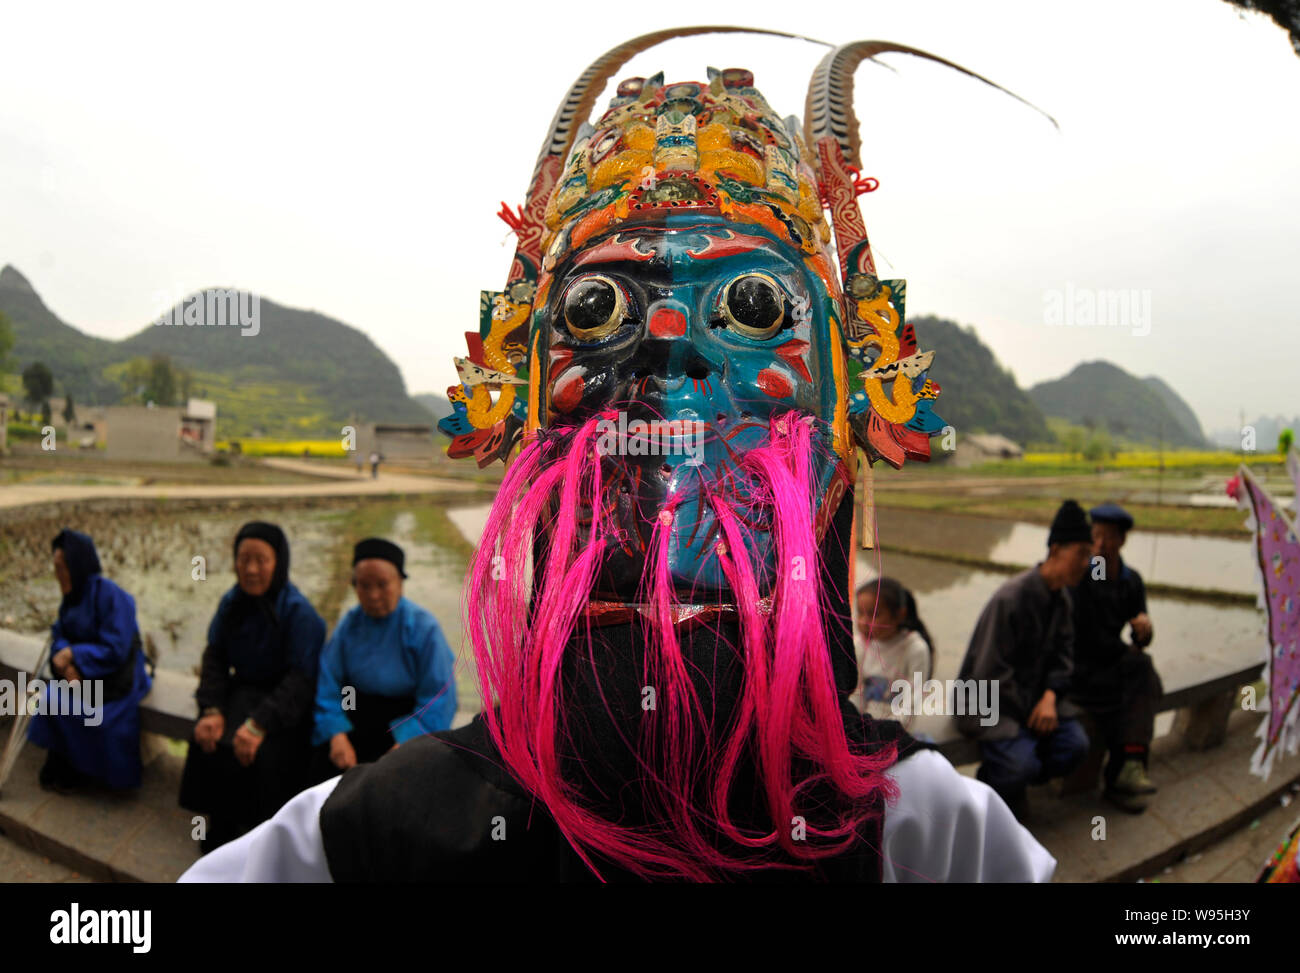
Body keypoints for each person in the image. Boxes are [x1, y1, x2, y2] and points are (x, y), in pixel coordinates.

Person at [178, 521, 326, 853]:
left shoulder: (299, 613)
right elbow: (215, 655)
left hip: (284, 705)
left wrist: (259, 724)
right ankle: (222, 826)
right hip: (242, 691)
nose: (251, 569)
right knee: (210, 739)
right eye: (243, 559)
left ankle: (264, 837)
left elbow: (302, 679)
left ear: (280, 563)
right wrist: (212, 709)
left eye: (261, 560)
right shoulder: (232, 603)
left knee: (266, 755)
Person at [955, 500, 1094, 821]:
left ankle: (1010, 783)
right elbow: (990, 673)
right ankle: (990, 795)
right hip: (988, 700)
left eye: (1089, 555)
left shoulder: (1063, 601)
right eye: (1081, 553)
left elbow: (1064, 657)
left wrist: (1050, 696)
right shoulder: (1012, 598)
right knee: (1021, 763)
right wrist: (1034, 708)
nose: (1087, 563)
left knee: (1076, 746)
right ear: (1056, 549)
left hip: (1034, 700)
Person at [311, 538, 457, 775]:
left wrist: (408, 741)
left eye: (382, 584)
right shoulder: (350, 625)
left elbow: (438, 698)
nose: (373, 595)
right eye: (364, 586)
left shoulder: (423, 628)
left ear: (400, 583)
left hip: (405, 720)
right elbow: (329, 683)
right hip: (355, 713)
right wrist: (336, 734)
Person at [28, 529, 152, 792]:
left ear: (78, 565)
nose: (58, 575)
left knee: (98, 716)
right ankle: (70, 764)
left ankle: (96, 774)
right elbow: (59, 634)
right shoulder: (71, 600)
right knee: (52, 698)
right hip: (84, 674)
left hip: (118, 676)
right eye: (56, 569)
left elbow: (116, 648)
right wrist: (69, 664)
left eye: (62, 568)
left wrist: (77, 657)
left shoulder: (112, 596)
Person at [1070, 503, 1162, 813]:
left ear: (1121, 540)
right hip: (1081, 668)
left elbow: (1140, 639)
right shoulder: (1083, 577)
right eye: (1095, 536)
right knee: (1142, 683)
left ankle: (1128, 770)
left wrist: (1143, 630)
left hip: (1111, 665)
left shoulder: (1131, 581)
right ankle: (1125, 773)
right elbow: (1080, 636)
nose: (1099, 545)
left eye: (1108, 537)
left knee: (1142, 675)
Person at [854, 578, 933, 723]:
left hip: (894, 733)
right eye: (860, 613)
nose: (863, 622)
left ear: (899, 615)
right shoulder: (859, 645)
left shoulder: (915, 649)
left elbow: (910, 706)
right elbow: (854, 693)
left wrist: (882, 734)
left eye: (874, 615)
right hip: (862, 728)